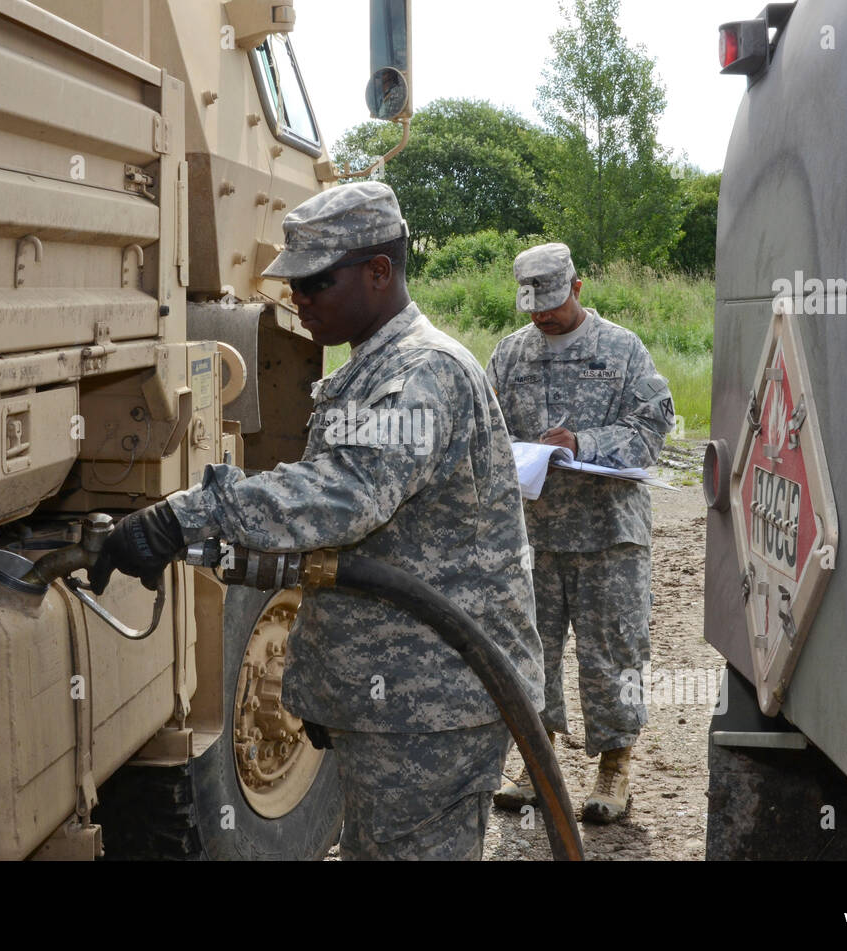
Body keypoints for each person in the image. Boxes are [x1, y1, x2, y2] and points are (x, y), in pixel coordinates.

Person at [89, 181, 544, 860]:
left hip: (435, 706)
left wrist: (184, 516)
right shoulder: (373, 365)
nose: (297, 298)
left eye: (315, 281)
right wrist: (332, 690)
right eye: (293, 283)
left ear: (379, 272)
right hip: (394, 701)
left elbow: (340, 496)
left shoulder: (422, 372)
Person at [486, 243, 674, 823]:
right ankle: (535, 764)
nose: (543, 315)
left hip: (608, 536)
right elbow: (485, 430)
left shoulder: (620, 350)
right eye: (533, 305)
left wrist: (583, 444)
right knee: (527, 652)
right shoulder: (509, 356)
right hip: (533, 539)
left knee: (614, 653)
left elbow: (653, 424)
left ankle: (616, 766)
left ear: (579, 287)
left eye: (553, 302)